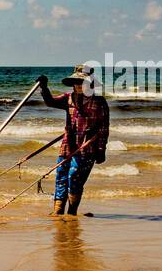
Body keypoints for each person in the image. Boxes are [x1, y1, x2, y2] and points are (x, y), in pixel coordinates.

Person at [37, 64, 110, 217]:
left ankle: (72, 213)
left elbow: (104, 128)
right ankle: (58, 211)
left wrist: (101, 150)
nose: (78, 86)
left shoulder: (99, 102)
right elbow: (50, 102)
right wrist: (44, 87)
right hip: (67, 145)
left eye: (81, 82)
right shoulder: (68, 99)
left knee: (74, 177)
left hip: (87, 147)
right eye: (76, 82)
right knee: (61, 176)